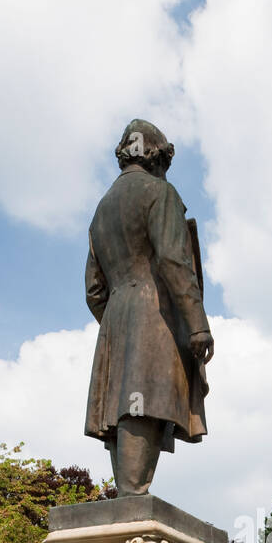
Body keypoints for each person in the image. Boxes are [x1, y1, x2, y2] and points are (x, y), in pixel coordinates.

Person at [84, 120, 214, 497]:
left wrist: (114, 319)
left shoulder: (101, 210)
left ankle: (128, 496)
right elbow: (175, 261)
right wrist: (197, 324)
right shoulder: (161, 194)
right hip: (152, 314)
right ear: (156, 157)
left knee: (122, 408)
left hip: (115, 318)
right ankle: (133, 502)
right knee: (142, 402)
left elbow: (94, 290)